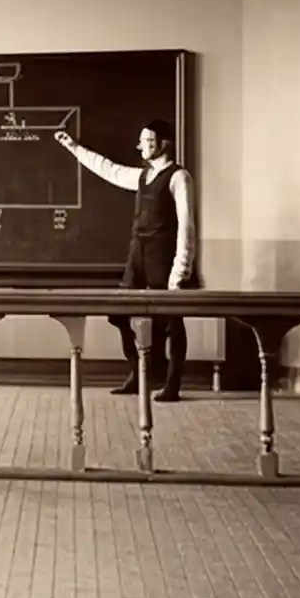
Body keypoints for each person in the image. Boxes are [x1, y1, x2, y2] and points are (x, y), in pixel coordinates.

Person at [54, 119, 198, 402]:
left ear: (163, 143)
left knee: (171, 320)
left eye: (146, 141)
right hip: (138, 253)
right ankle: (140, 373)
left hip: (162, 256)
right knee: (119, 314)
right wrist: (74, 148)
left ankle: (172, 384)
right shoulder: (142, 176)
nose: (140, 146)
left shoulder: (179, 178)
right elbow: (109, 170)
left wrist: (180, 270)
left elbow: (187, 226)